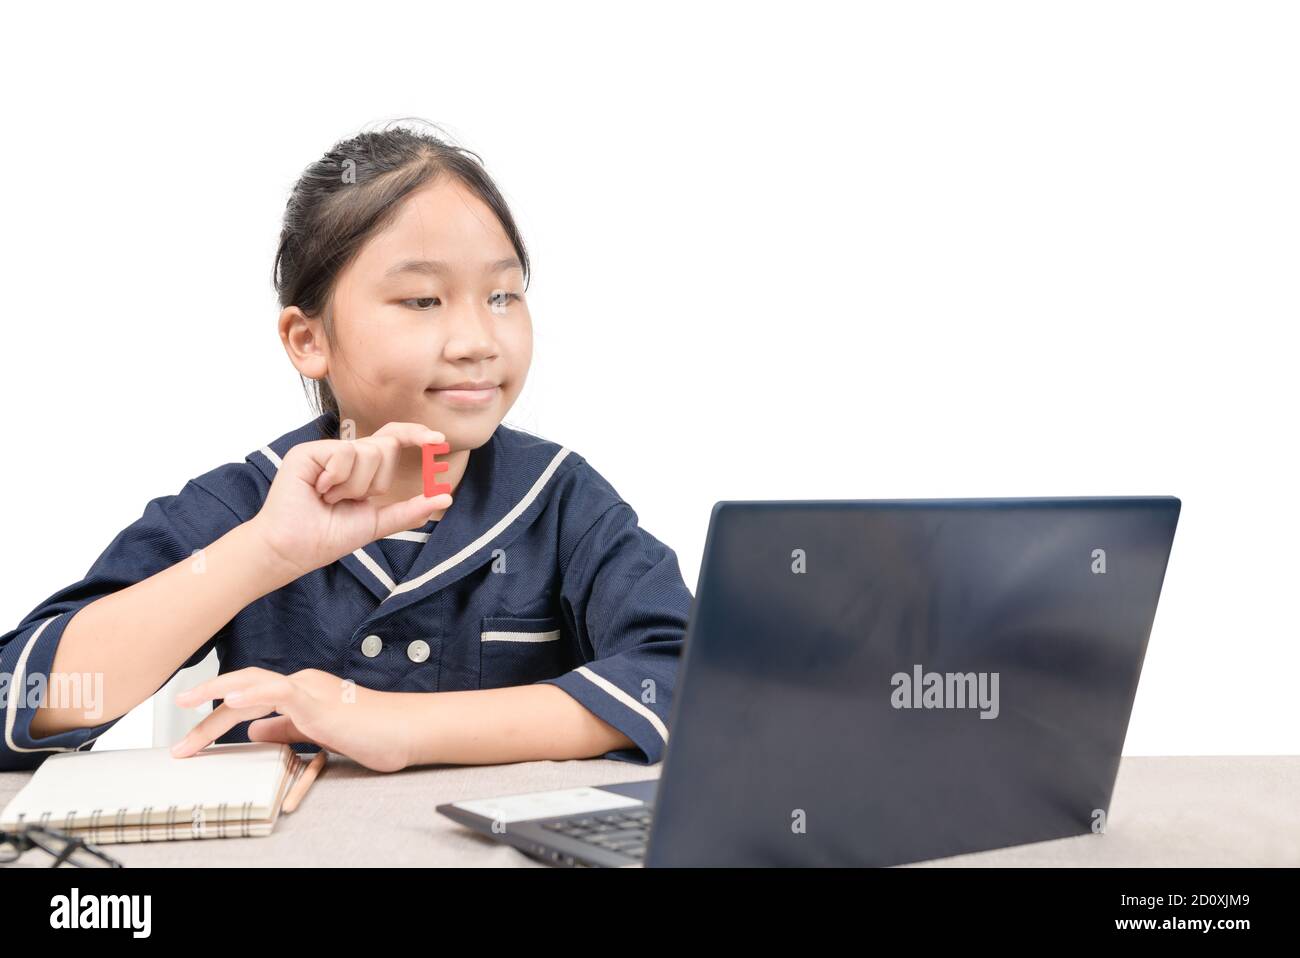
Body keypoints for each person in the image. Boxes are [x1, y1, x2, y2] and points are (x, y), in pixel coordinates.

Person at [0, 121, 691, 773]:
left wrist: (399, 725)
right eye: (423, 300)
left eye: (504, 295)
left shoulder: (562, 500)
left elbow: (688, 676)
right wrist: (263, 553)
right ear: (310, 340)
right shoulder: (246, 502)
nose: (479, 339)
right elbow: (15, 694)